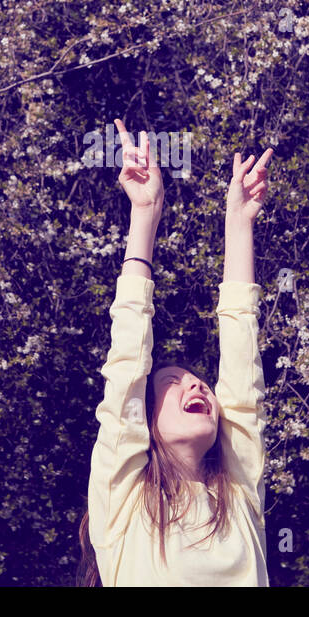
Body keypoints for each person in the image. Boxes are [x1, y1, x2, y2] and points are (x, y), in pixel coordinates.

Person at [77, 118, 274, 585]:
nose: (196, 383)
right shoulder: (123, 500)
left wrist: (239, 224)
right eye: (172, 382)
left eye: (195, 379)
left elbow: (244, 387)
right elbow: (126, 368)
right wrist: (144, 214)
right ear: (143, 423)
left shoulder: (240, 495)